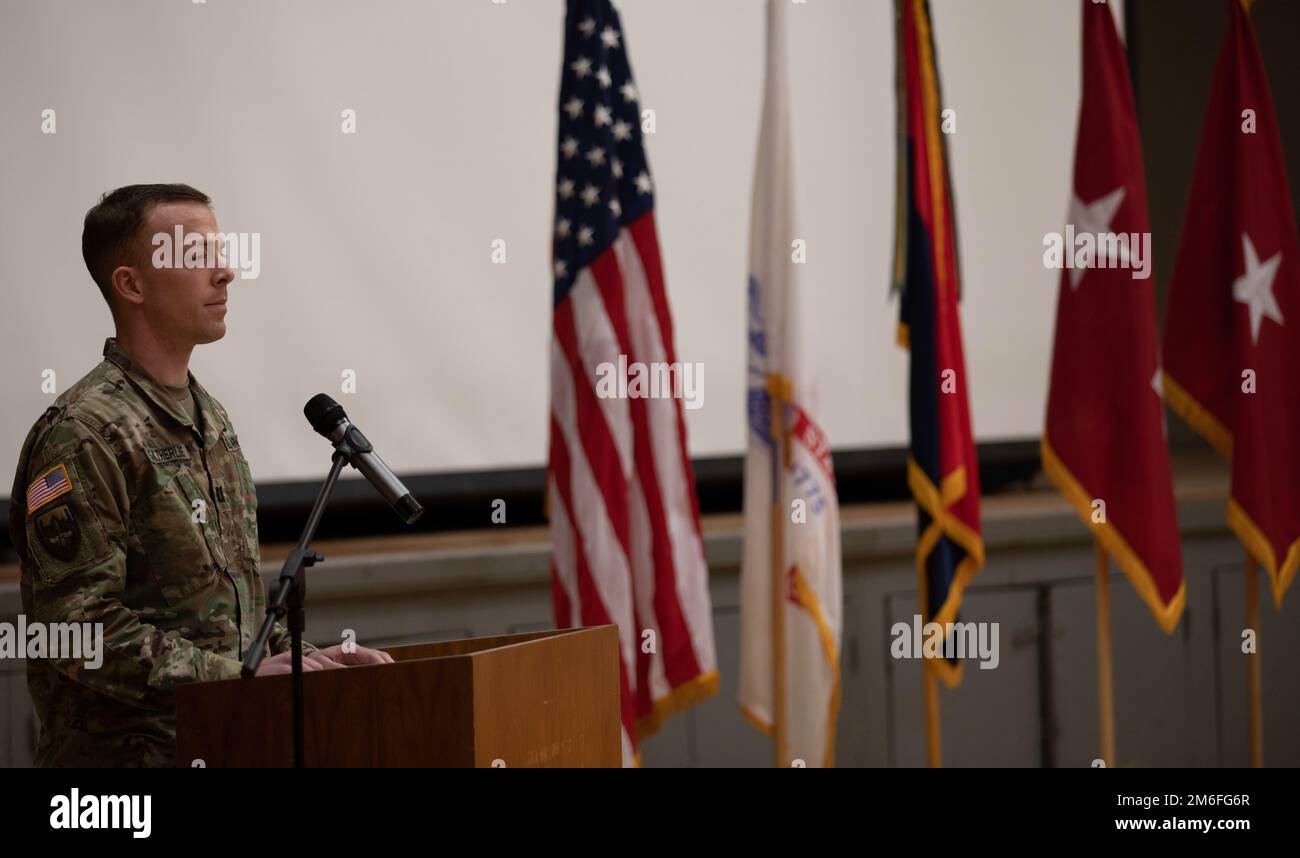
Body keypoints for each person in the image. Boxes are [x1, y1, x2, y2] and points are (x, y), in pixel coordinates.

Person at [8, 184, 393, 767]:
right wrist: (241, 676)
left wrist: (312, 665)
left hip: (228, 745)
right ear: (131, 284)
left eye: (221, 251)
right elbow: (77, 632)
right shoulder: (84, 434)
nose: (226, 273)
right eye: (194, 255)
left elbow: (229, 622)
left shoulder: (209, 418)